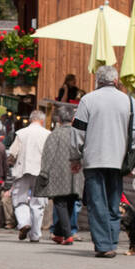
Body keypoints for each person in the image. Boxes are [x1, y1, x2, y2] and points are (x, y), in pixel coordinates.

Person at [71, 65, 135, 258]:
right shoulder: (128, 101)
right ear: (116, 81)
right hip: (118, 161)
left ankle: (104, 244)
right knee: (113, 202)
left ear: (97, 81)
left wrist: (75, 157)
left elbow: (78, 131)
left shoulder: (88, 100)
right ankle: (110, 241)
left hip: (94, 159)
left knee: (97, 203)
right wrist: (134, 161)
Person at [37, 104, 83, 244]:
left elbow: (47, 155)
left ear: (59, 119)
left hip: (58, 175)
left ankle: (68, 235)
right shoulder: (78, 133)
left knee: (60, 203)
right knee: (69, 203)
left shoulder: (55, 134)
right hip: (76, 174)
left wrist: (44, 173)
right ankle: (58, 233)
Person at [7, 110, 51, 242]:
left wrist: (10, 164)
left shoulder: (21, 133)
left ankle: (24, 222)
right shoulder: (47, 134)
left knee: (19, 198)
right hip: (41, 171)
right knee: (38, 203)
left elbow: (13, 153)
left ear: (31, 119)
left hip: (23, 169)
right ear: (42, 121)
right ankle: (35, 234)